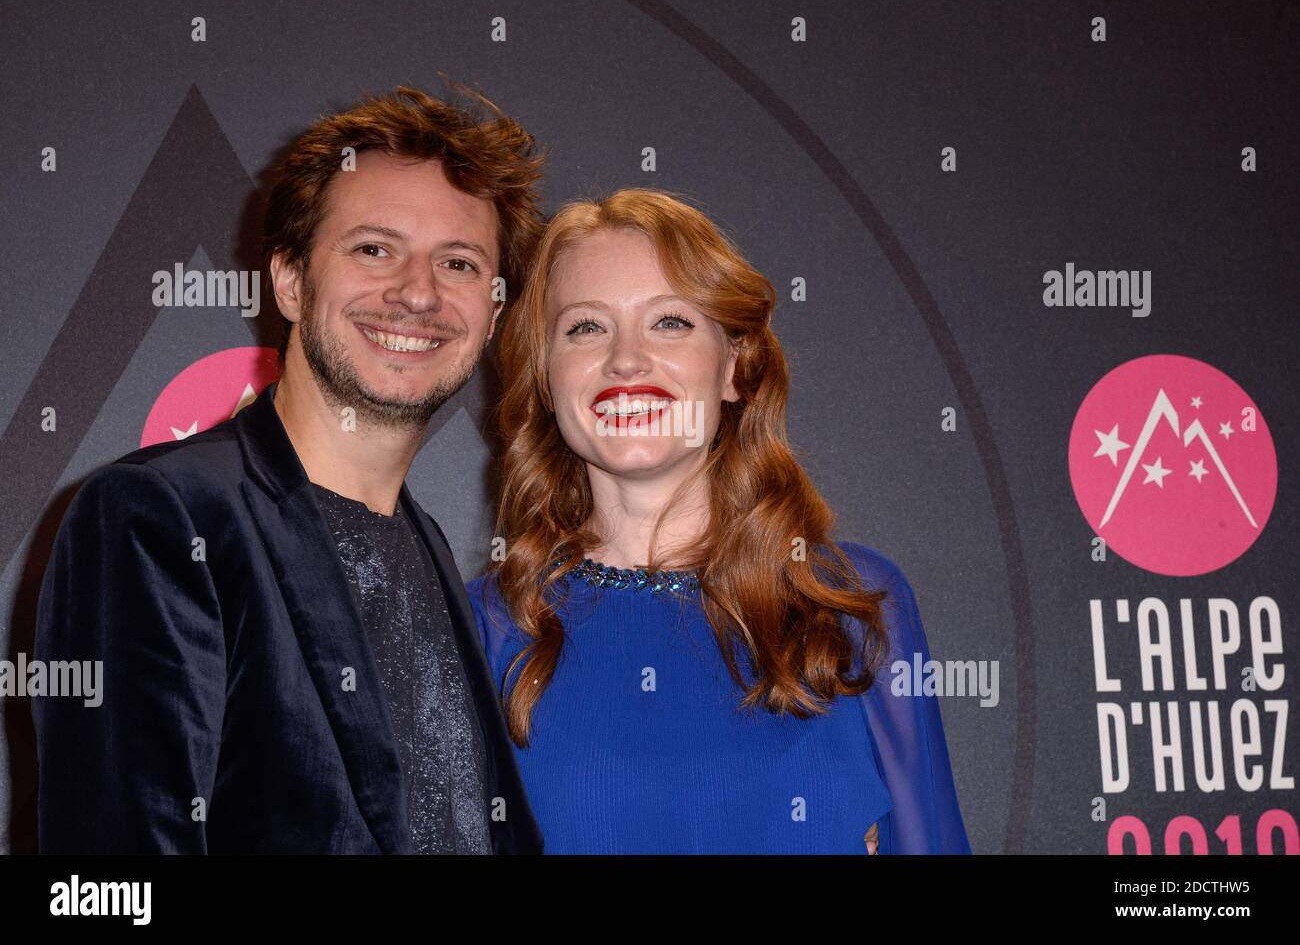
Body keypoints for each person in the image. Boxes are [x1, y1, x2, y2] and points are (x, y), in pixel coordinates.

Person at [33, 85, 546, 854]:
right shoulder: (157, 517)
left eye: (460, 263)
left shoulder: (429, 547)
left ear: (495, 311)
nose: (417, 291)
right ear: (290, 281)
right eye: (374, 248)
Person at [468, 188, 971, 854]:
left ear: (734, 366)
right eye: (586, 326)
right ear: (546, 378)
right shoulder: (483, 627)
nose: (626, 360)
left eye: (670, 320)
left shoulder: (855, 604)